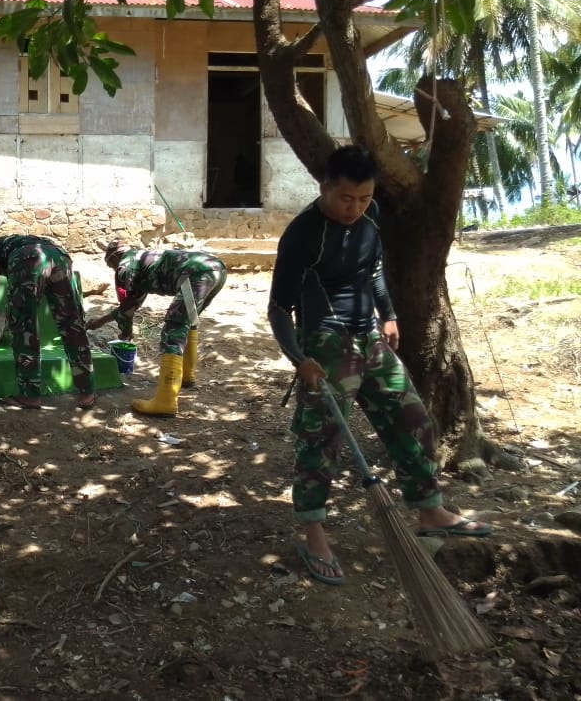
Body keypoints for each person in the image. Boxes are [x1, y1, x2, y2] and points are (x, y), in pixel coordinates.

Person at [267, 144, 492, 586]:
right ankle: (313, 530)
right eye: (346, 198)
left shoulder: (370, 222)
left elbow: (372, 271)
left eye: (364, 198)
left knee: (413, 418)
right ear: (325, 187)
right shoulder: (302, 234)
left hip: (368, 337)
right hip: (326, 343)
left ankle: (430, 509)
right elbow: (278, 308)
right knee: (322, 437)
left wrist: (387, 315)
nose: (355, 207)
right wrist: (300, 358)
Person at [87, 240, 227, 417]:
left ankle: (165, 401)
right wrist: (103, 321)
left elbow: (128, 306)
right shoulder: (144, 259)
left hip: (194, 274)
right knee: (189, 320)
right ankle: (187, 376)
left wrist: (125, 330)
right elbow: (133, 303)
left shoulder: (125, 266)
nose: (113, 269)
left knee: (174, 328)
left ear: (115, 257)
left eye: (110, 265)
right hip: (216, 269)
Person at [0, 235, 96, 410]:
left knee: (25, 327)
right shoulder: (13, 242)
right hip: (59, 255)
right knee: (72, 324)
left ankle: (29, 396)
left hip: (28, 258)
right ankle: (88, 391)